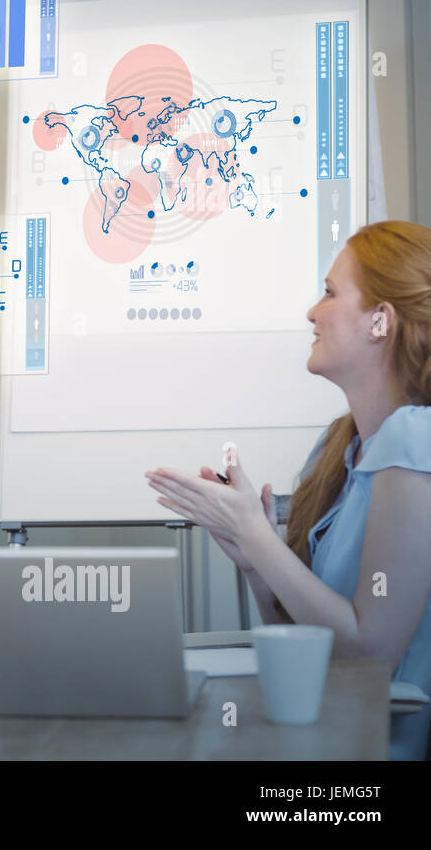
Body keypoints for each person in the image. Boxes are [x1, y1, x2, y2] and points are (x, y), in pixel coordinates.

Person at [145, 220, 431, 759]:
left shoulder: (416, 440)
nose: (312, 312)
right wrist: (253, 561)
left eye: (329, 293)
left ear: (380, 321)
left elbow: (369, 659)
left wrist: (258, 538)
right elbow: (309, 646)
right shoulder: (338, 447)